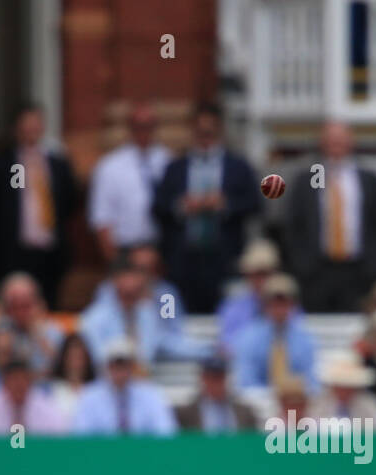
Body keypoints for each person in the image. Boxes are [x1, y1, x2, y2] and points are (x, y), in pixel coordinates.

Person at [152, 102, 261, 313]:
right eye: (201, 132)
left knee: (226, 312)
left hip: (224, 258)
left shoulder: (237, 167)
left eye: (210, 132)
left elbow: (254, 204)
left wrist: (225, 204)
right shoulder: (175, 167)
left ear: (219, 131)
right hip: (185, 259)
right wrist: (182, 206)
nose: (205, 138)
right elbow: (159, 206)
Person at [283, 120, 376, 311]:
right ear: (321, 143)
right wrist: (303, 266)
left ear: (351, 142)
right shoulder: (308, 178)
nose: (336, 145)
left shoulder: (369, 179)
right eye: (330, 140)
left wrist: (374, 266)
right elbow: (294, 225)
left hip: (358, 271)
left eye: (340, 140)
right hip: (317, 271)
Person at [0, 104, 78, 308]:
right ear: (16, 129)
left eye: (35, 126)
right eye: (26, 127)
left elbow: (70, 201)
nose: (31, 132)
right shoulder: (5, 164)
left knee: (48, 304)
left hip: (50, 250)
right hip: (14, 252)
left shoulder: (57, 163)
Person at [88, 101, 171, 265]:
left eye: (149, 125)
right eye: (139, 126)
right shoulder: (110, 166)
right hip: (124, 250)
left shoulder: (168, 162)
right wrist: (115, 262)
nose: (144, 132)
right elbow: (101, 218)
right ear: (130, 127)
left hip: (161, 250)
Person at [228, 273, 317, 392]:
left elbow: (311, 382)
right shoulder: (248, 338)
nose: (279, 309)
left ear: (293, 306)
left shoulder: (305, 340)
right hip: (258, 404)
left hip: (291, 404)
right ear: (265, 305)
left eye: (284, 303)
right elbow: (246, 382)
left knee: (293, 409)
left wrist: (292, 400)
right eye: (274, 303)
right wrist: (269, 400)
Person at [74, 337, 177, 435]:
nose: (120, 371)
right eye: (115, 365)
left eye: (124, 365)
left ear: (132, 367)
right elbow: (81, 436)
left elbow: (166, 432)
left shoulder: (152, 395)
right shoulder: (89, 397)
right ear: (106, 366)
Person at [0, 356, 69, 436]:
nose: (18, 386)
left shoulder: (46, 406)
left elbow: (60, 437)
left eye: (23, 380)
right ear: (5, 383)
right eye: (14, 381)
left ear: (30, 382)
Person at [217, 239, 281, 349]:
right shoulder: (234, 305)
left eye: (265, 273)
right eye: (256, 274)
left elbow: (296, 341)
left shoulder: (286, 302)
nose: (261, 279)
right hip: (242, 363)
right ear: (248, 275)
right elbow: (227, 342)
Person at [174, 355, 257, 432]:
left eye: (219, 378)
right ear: (203, 379)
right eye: (210, 378)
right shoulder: (186, 415)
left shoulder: (245, 413)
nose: (215, 383)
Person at [309, 351, 376, 423]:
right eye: (340, 386)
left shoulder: (368, 405)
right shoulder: (320, 404)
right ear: (333, 386)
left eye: (348, 387)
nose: (344, 391)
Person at [47, 332, 96, 427]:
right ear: (64, 358)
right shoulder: (51, 390)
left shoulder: (97, 390)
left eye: (79, 357)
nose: (75, 362)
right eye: (72, 357)